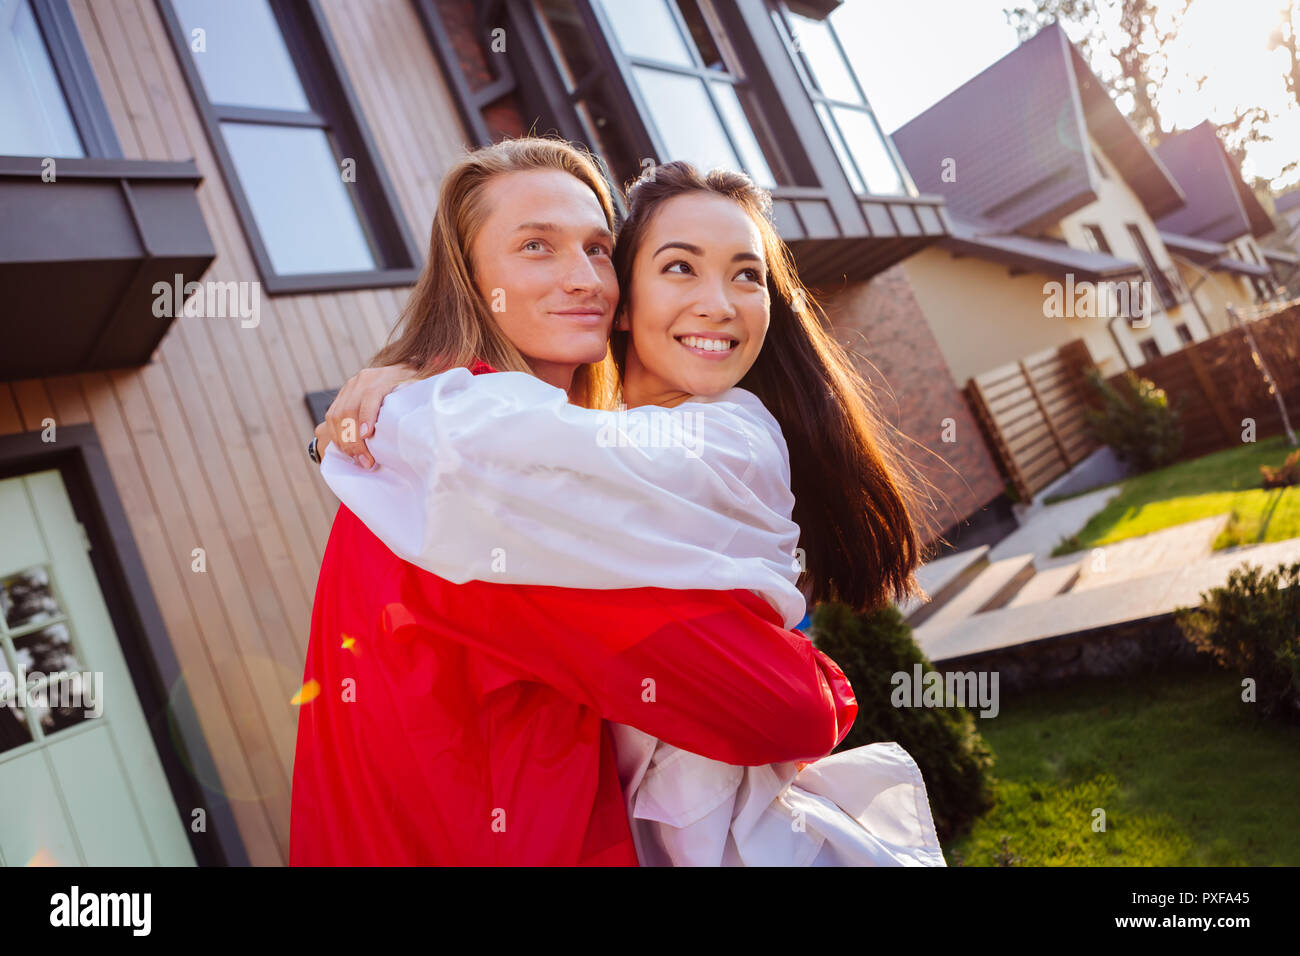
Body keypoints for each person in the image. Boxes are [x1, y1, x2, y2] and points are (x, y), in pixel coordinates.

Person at [313, 157, 944, 865]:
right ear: (469, 280)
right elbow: (782, 706)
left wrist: (407, 384)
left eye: (596, 249)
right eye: (535, 246)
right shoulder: (480, 479)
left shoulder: (511, 452)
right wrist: (820, 680)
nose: (582, 277)